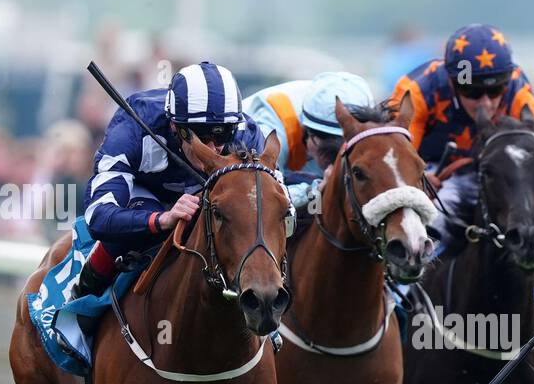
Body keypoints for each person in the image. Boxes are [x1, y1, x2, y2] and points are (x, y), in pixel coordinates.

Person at [72, 61, 263, 298]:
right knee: (135, 233)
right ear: (176, 126)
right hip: (144, 196)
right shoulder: (132, 129)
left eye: (224, 133)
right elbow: (98, 216)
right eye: (203, 136)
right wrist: (162, 219)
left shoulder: (248, 137)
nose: (214, 148)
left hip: (206, 201)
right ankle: (80, 305)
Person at [388, 23, 534, 252]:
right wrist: (418, 183)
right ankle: (409, 283)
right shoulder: (417, 90)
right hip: (436, 179)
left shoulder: (519, 93)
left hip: (496, 177)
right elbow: (394, 168)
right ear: (453, 83)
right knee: (428, 221)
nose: (485, 103)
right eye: (473, 92)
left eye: (495, 91)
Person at [243, 71, 374, 213]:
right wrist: (316, 190)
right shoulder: (271, 126)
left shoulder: (372, 127)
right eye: (330, 150)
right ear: (308, 133)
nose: (334, 161)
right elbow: (255, 198)